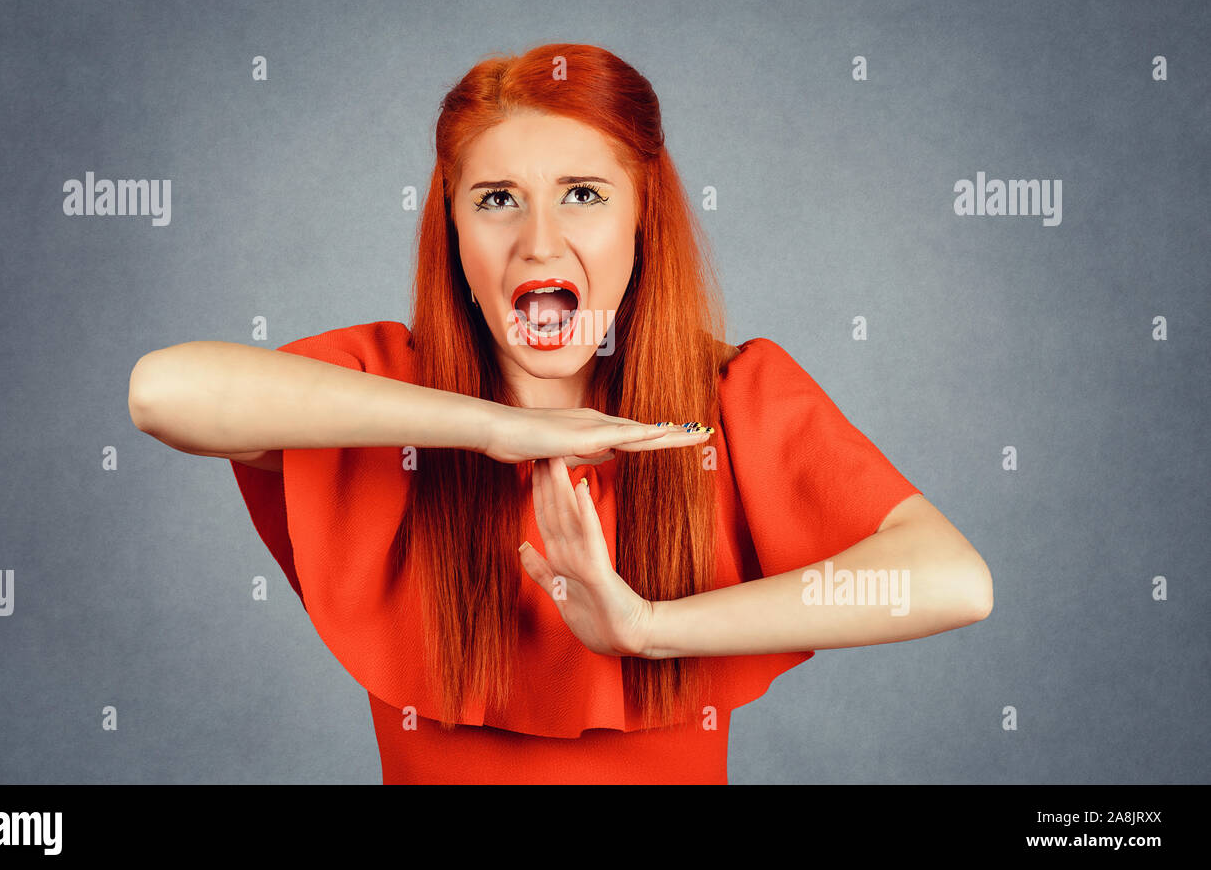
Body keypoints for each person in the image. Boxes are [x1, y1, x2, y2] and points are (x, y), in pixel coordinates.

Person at [127, 43, 993, 784]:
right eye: (496, 199)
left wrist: (650, 628)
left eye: (584, 193)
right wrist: (494, 427)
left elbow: (954, 579)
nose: (539, 241)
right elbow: (163, 392)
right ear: (454, 233)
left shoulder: (726, 403)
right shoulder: (383, 394)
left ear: (643, 217)